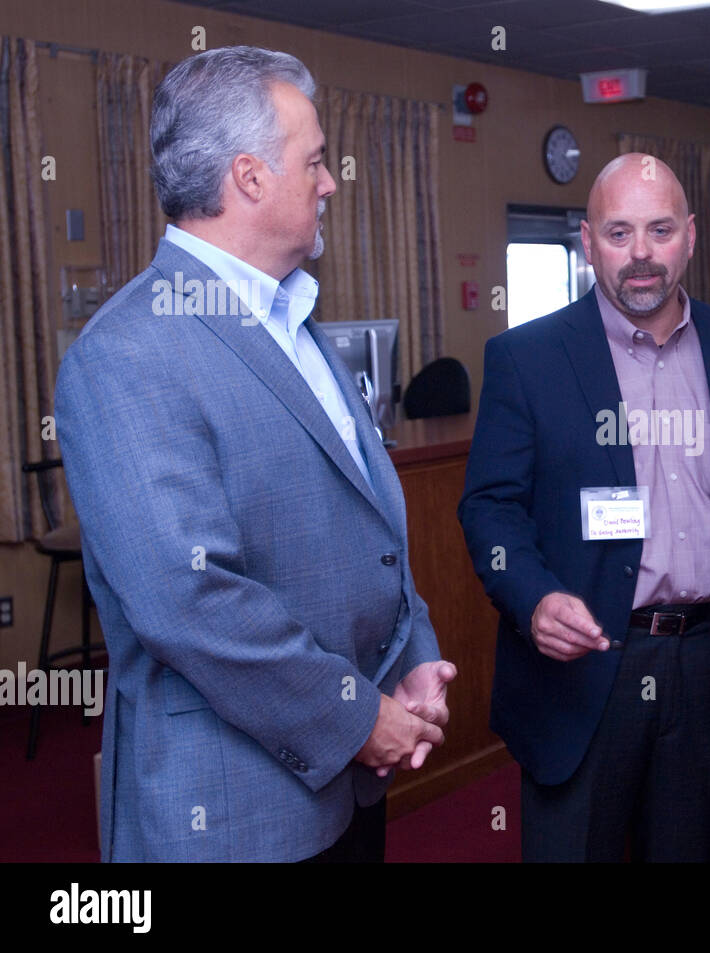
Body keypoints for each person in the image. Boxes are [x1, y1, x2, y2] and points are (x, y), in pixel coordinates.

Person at [55, 46, 456, 862]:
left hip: (347, 787)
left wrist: (410, 660)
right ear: (248, 178)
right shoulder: (126, 353)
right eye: (314, 160)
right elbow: (191, 600)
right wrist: (358, 718)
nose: (330, 181)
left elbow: (363, 520)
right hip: (237, 819)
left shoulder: (296, 321)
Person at [459, 154, 710, 862]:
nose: (641, 254)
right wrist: (534, 597)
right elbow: (491, 508)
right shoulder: (528, 358)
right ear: (587, 242)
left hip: (708, 663)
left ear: (691, 236)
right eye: (618, 233)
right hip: (587, 668)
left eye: (660, 229)